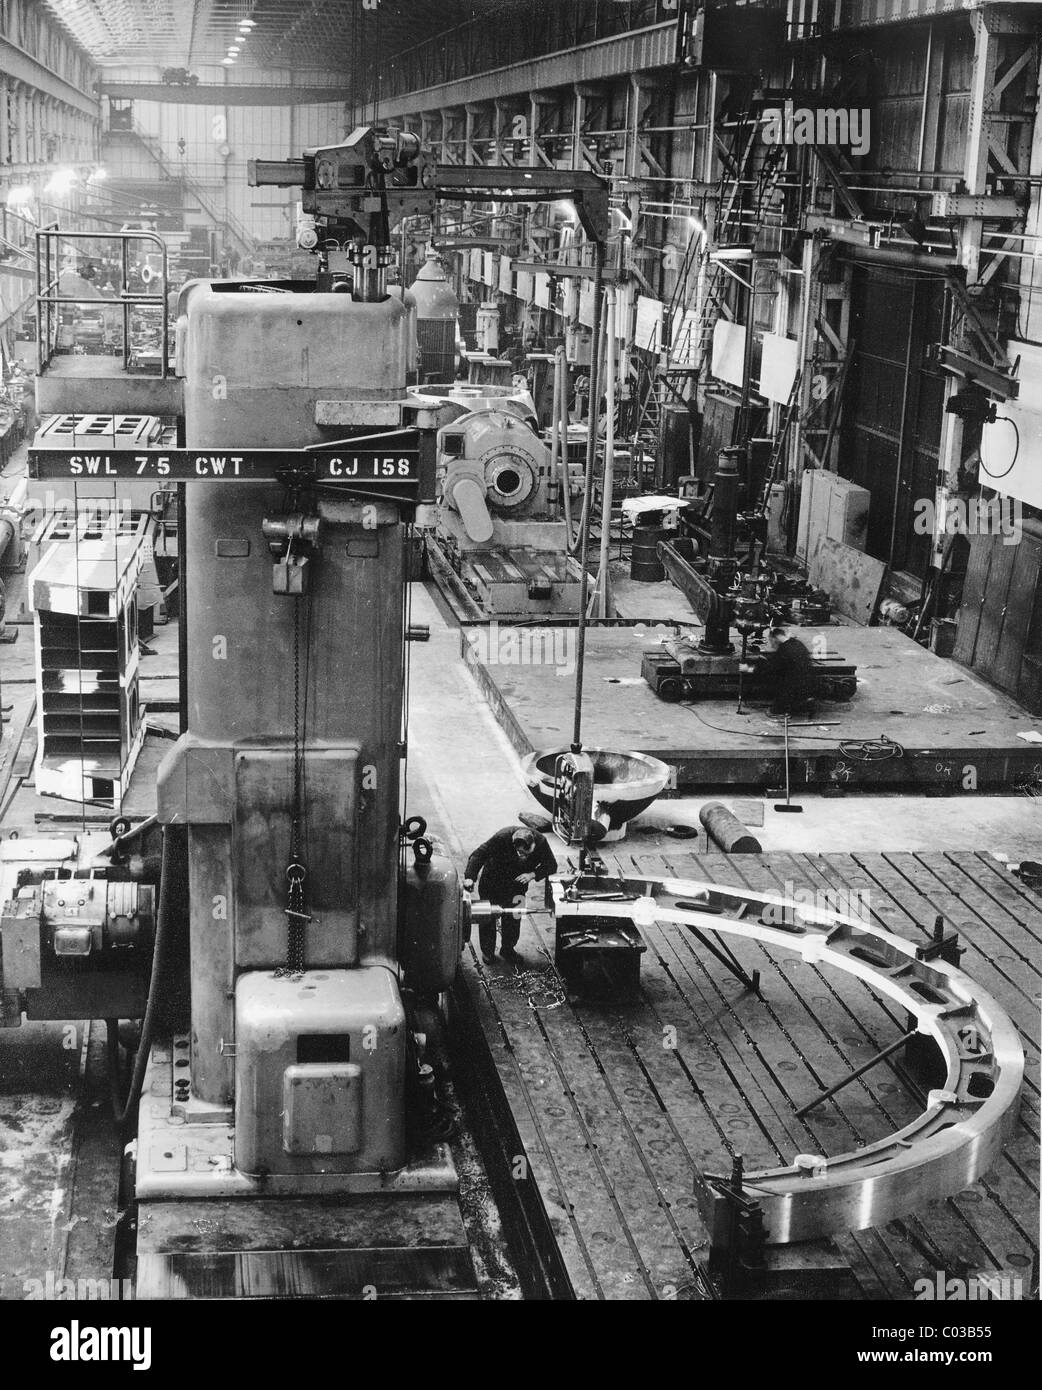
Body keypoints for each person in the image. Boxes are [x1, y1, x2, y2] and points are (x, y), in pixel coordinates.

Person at [464, 826, 557, 965]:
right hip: (492, 882)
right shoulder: (502, 837)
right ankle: (488, 952)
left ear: (534, 844)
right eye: (520, 853)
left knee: (515, 917)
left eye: (528, 854)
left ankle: (508, 949)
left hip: (517, 887)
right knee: (486, 918)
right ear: (514, 845)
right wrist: (470, 877)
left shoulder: (541, 842)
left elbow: (551, 865)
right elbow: (479, 854)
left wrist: (533, 874)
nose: (524, 857)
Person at [740, 623, 816, 718]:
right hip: (809, 683)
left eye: (771, 642)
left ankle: (782, 709)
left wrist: (749, 669)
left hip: (795, 688)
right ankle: (801, 701)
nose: (771, 646)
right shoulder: (797, 643)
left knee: (773, 680)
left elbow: (770, 669)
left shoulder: (784, 650)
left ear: (775, 639)